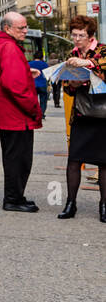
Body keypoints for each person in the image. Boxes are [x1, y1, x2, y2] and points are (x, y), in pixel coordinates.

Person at [0, 13, 42, 212]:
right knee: (19, 159)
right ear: (7, 28)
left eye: (25, 27)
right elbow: (13, 85)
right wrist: (34, 108)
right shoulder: (8, 47)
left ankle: (15, 197)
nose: (25, 31)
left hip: (6, 112)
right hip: (16, 114)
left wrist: (26, 71)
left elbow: (5, 75)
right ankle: (14, 199)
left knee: (13, 158)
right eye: (21, 28)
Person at [56, 15, 106, 220]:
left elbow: (103, 65)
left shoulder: (102, 50)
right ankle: (71, 204)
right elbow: (67, 89)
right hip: (81, 113)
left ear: (90, 35)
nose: (76, 39)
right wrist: (73, 84)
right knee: (74, 160)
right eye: (74, 35)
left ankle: (104, 206)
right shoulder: (71, 54)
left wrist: (87, 63)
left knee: (104, 162)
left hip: (103, 115)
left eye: (81, 35)